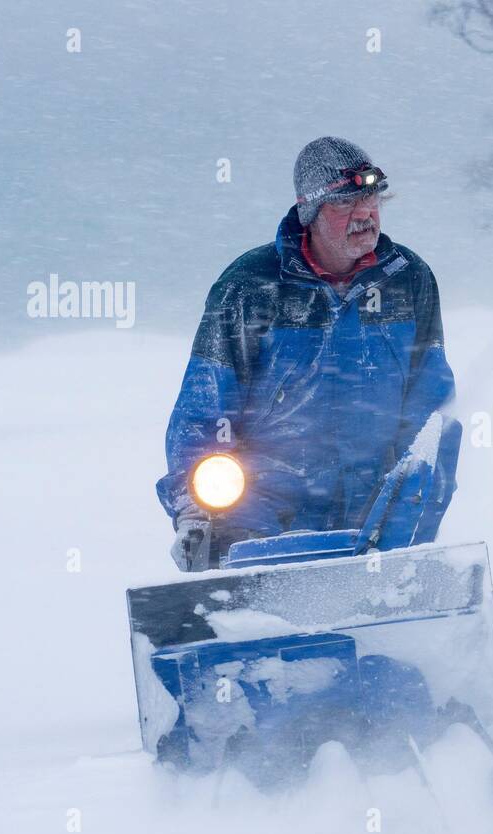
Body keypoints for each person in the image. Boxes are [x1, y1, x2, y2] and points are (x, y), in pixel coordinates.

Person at [157, 136, 459, 570]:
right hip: (258, 526)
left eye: (371, 198)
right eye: (344, 203)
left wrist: (417, 505)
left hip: (374, 529)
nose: (364, 214)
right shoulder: (250, 287)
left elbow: (431, 407)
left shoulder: (408, 282)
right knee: (257, 635)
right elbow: (205, 408)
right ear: (310, 212)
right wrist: (195, 510)